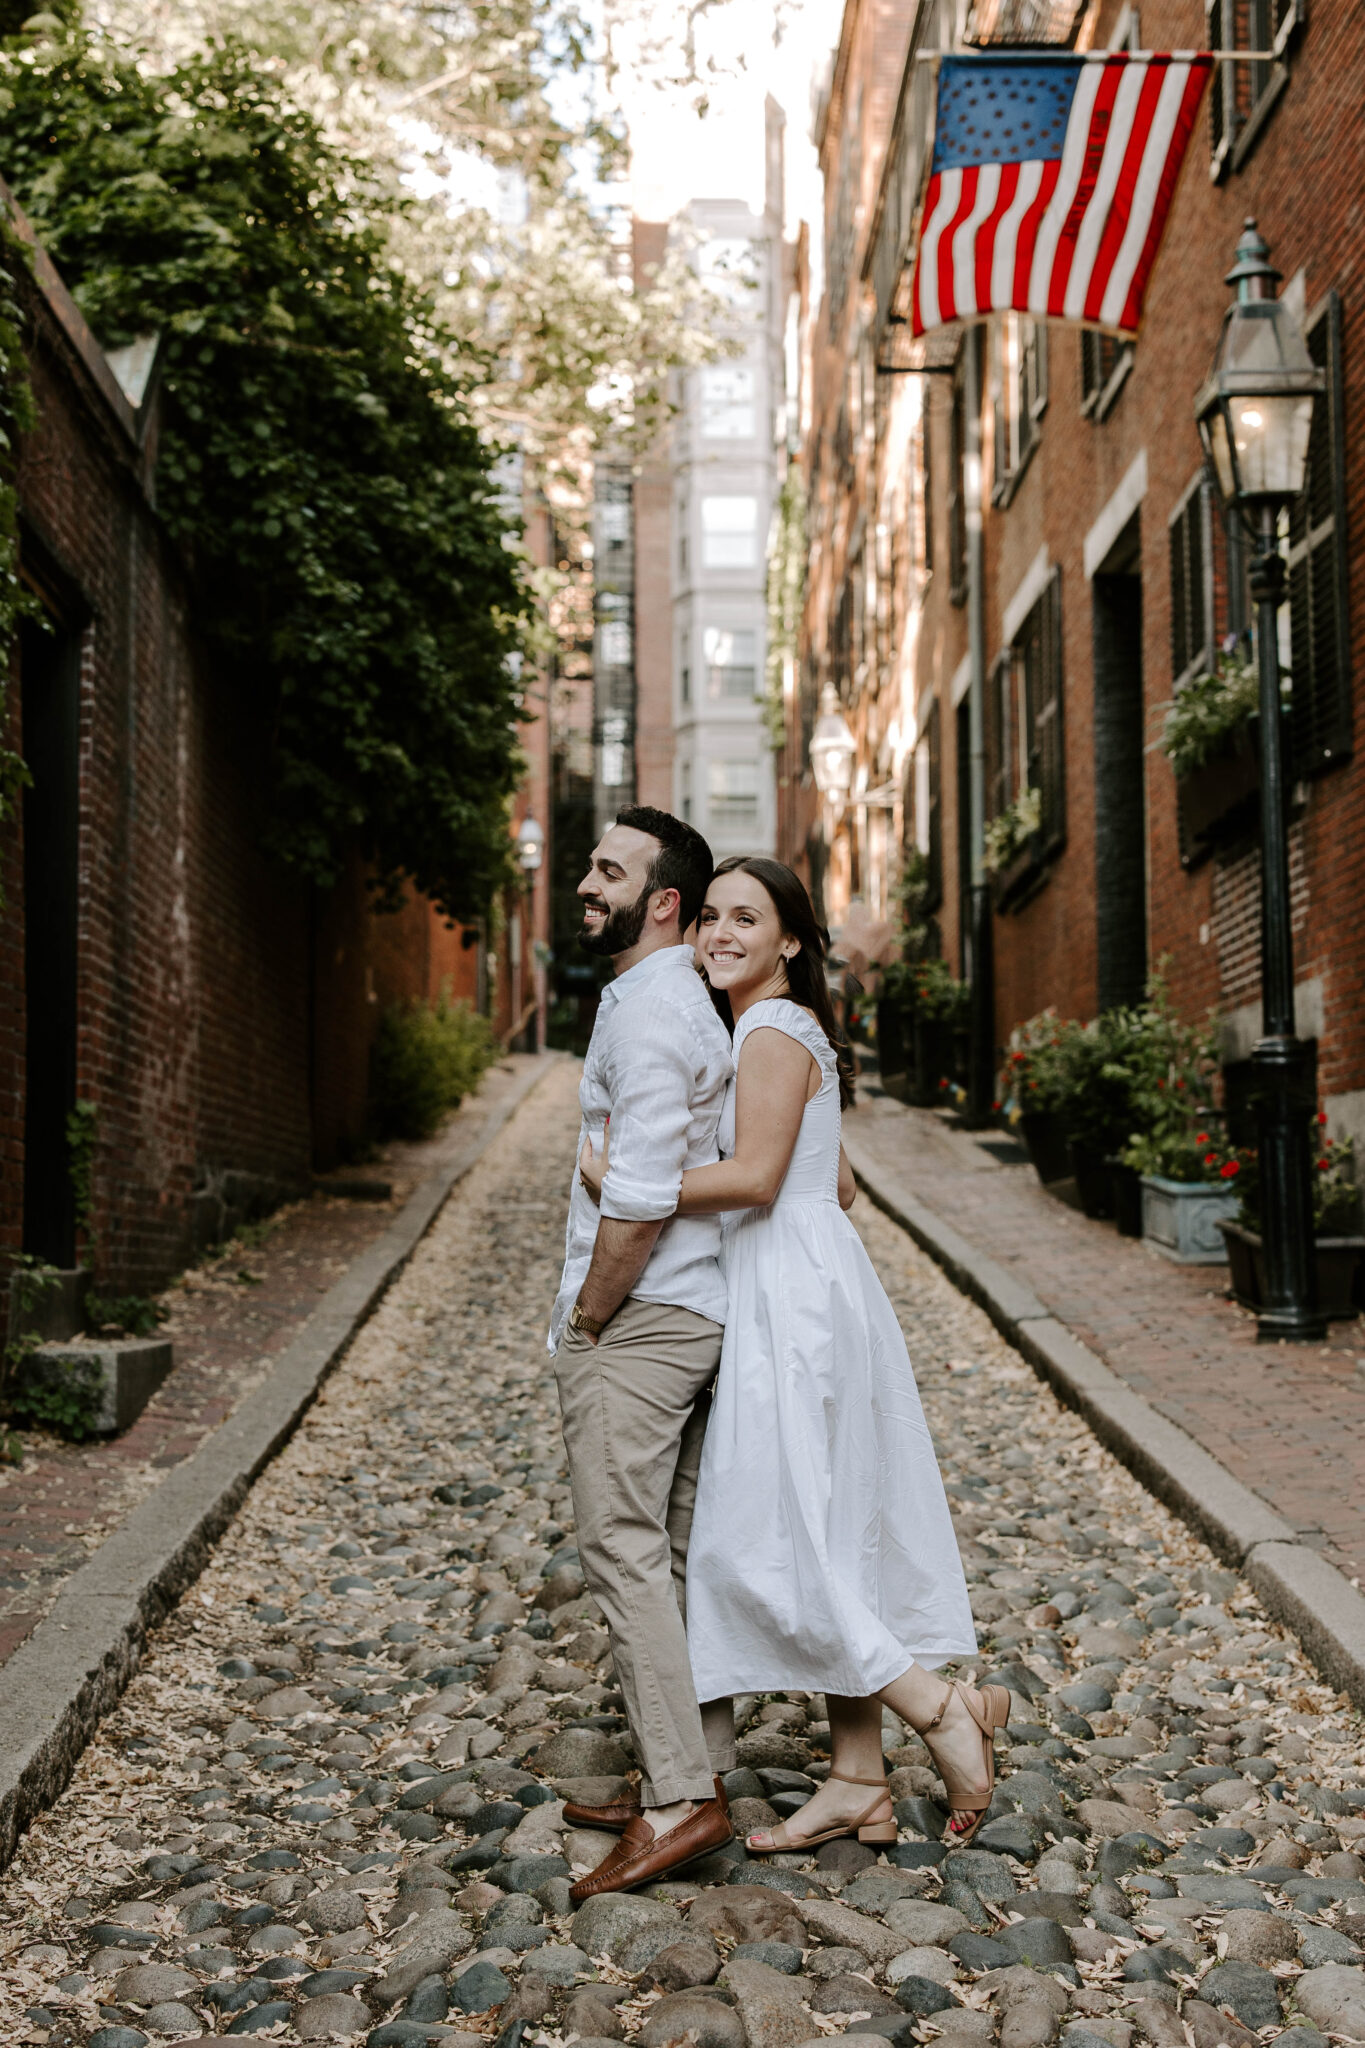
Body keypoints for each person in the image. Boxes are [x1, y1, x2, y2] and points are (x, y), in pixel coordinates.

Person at [580, 856, 1003, 1851]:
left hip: (789, 1297)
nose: (719, 933)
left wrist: (628, 1179)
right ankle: (858, 1778)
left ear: (792, 941)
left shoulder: (768, 1029)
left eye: (746, 918)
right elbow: (838, 1184)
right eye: (711, 916)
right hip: (818, 1281)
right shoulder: (787, 1028)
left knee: (768, 1546)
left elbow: (762, 1175)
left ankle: (940, 1707)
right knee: (830, 1520)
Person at [548, 805, 738, 1901]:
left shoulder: (655, 1017)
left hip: (647, 1316)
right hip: (683, 1312)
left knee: (620, 1547)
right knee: (665, 1555)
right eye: (589, 863)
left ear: (661, 899)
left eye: (607, 871)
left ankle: (679, 1800)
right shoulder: (654, 1001)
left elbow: (641, 1193)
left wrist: (588, 1315)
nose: (587, 883)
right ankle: (688, 1763)